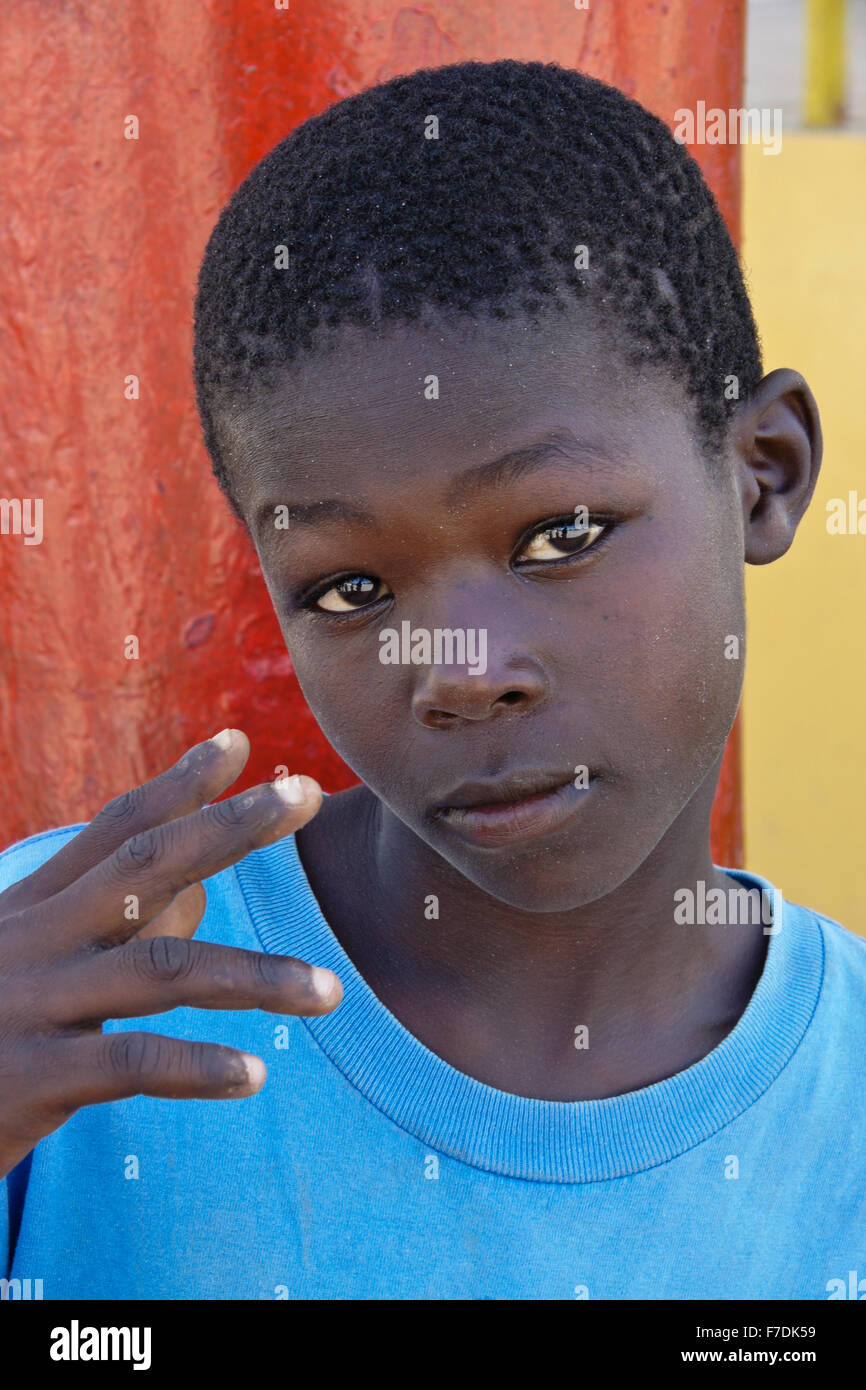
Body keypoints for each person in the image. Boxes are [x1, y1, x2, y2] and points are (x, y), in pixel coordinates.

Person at [1, 59, 862, 1301]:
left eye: (558, 534)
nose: (459, 675)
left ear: (763, 472)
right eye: (351, 589)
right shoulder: (60, 983)